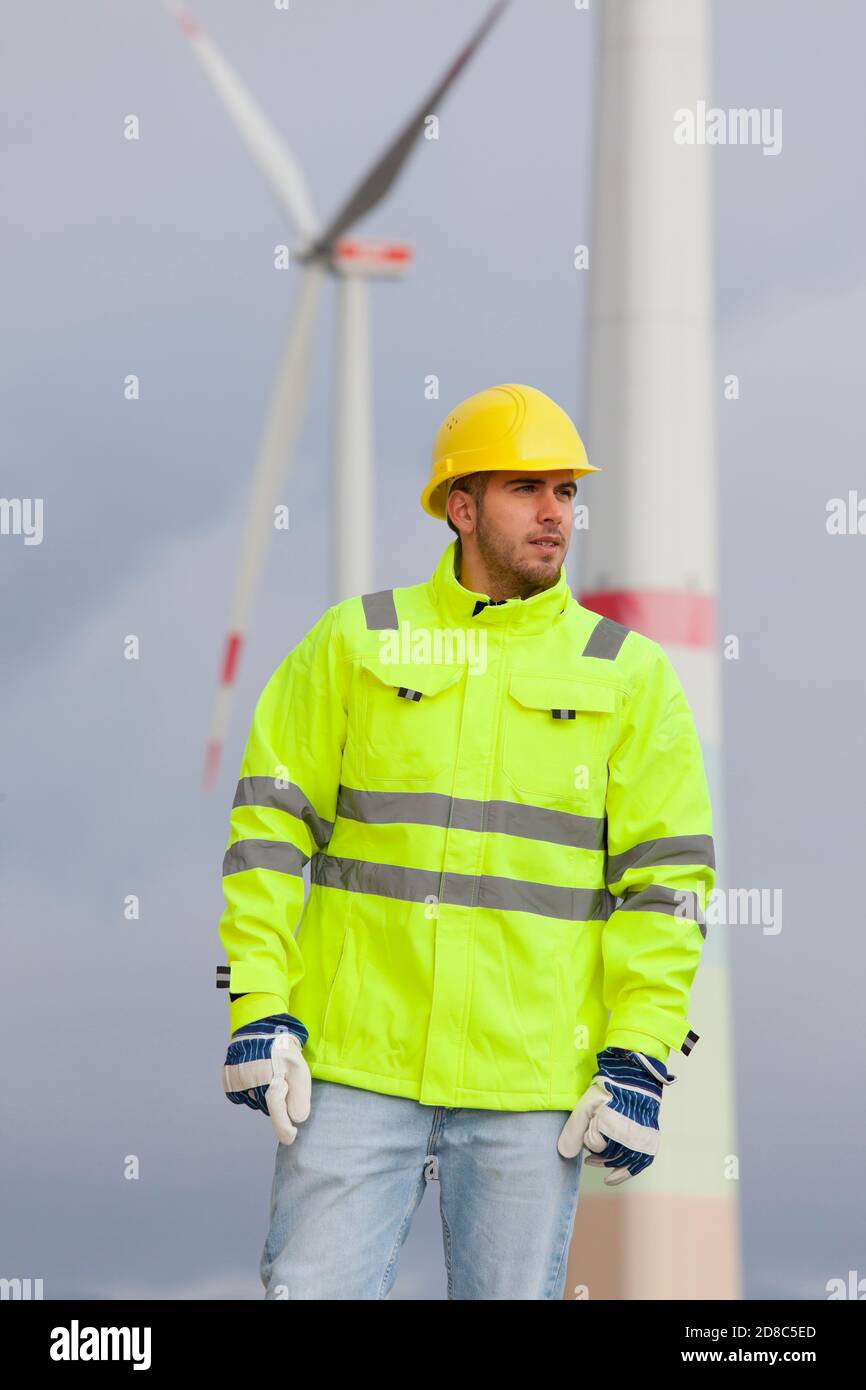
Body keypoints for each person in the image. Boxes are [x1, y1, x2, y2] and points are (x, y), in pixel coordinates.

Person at [216, 382, 716, 1300]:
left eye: (566, 492)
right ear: (461, 507)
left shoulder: (628, 675)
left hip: (529, 1090)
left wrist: (641, 1055)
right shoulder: (356, 643)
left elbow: (667, 886)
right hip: (354, 1070)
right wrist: (258, 1002)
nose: (555, 513)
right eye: (527, 490)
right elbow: (268, 833)